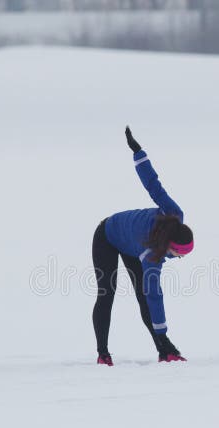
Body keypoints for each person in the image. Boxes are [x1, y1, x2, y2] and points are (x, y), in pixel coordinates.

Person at [92, 127, 194, 366]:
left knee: (142, 296)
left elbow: (154, 186)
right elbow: (155, 294)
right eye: (178, 255)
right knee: (107, 292)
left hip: (131, 243)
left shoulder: (174, 214)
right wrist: (138, 153)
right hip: (106, 235)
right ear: (171, 246)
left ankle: (164, 351)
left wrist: (139, 153)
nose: (178, 259)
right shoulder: (152, 255)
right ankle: (103, 354)